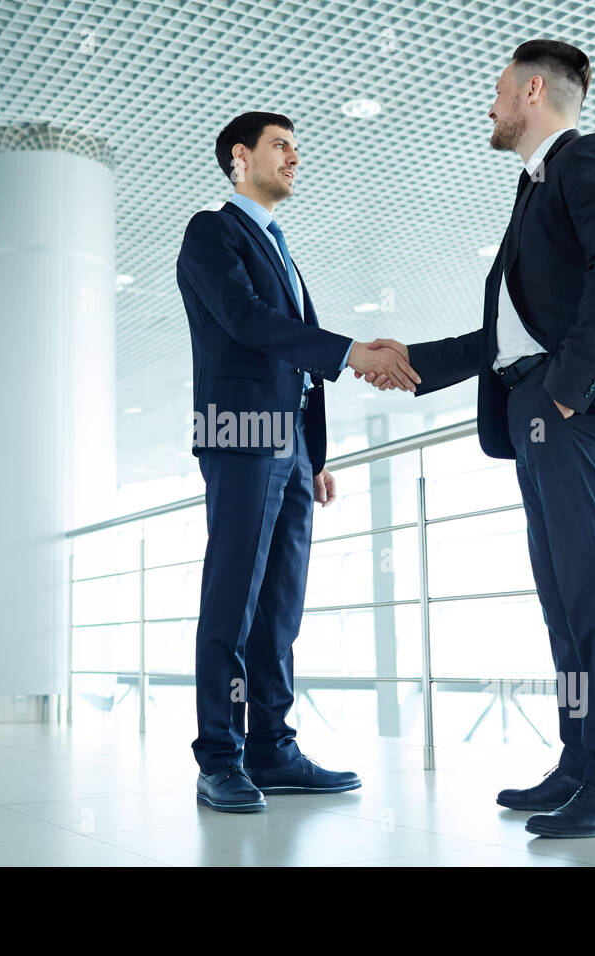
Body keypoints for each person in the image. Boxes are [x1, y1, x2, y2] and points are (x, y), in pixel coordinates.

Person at [361, 40, 595, 837]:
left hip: (572, 410)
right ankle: (581, 760)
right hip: (532, 409)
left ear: (532, 91)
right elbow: (504, 336)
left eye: (498, 91)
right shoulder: (531, 194)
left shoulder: (588, 158)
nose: (489, 107)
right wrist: (409, 361)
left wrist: (564, 393)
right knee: (563, 603)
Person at [175, 111, 419, 812]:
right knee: (234, 597)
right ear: (238, 158)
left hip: (289, 445)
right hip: (240, 434)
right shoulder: (212, 231)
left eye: (296, 149)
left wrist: (312, 453)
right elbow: (249, 322)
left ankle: (271, 749)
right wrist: (351, 353)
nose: (293, 158)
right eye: (281, 146)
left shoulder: (280, 246)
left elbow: (290, 354)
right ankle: (218, 757)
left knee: (279, 604)